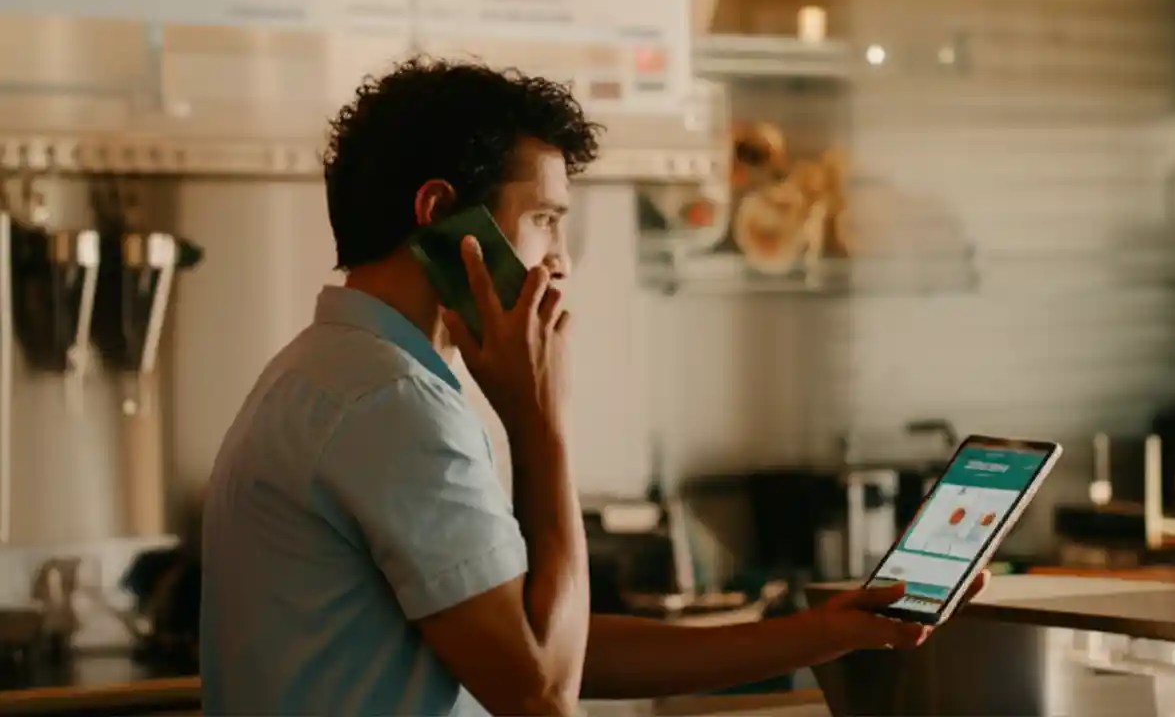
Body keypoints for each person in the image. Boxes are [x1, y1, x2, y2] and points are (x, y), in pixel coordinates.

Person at [199, 58, 989, 716]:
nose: (561, 260)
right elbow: (543, 693)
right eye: (545, 218)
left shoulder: (331, 370)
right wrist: (542, 423)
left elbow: (556, 645)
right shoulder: (390, 403)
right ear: (442, 215)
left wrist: (829, 629)